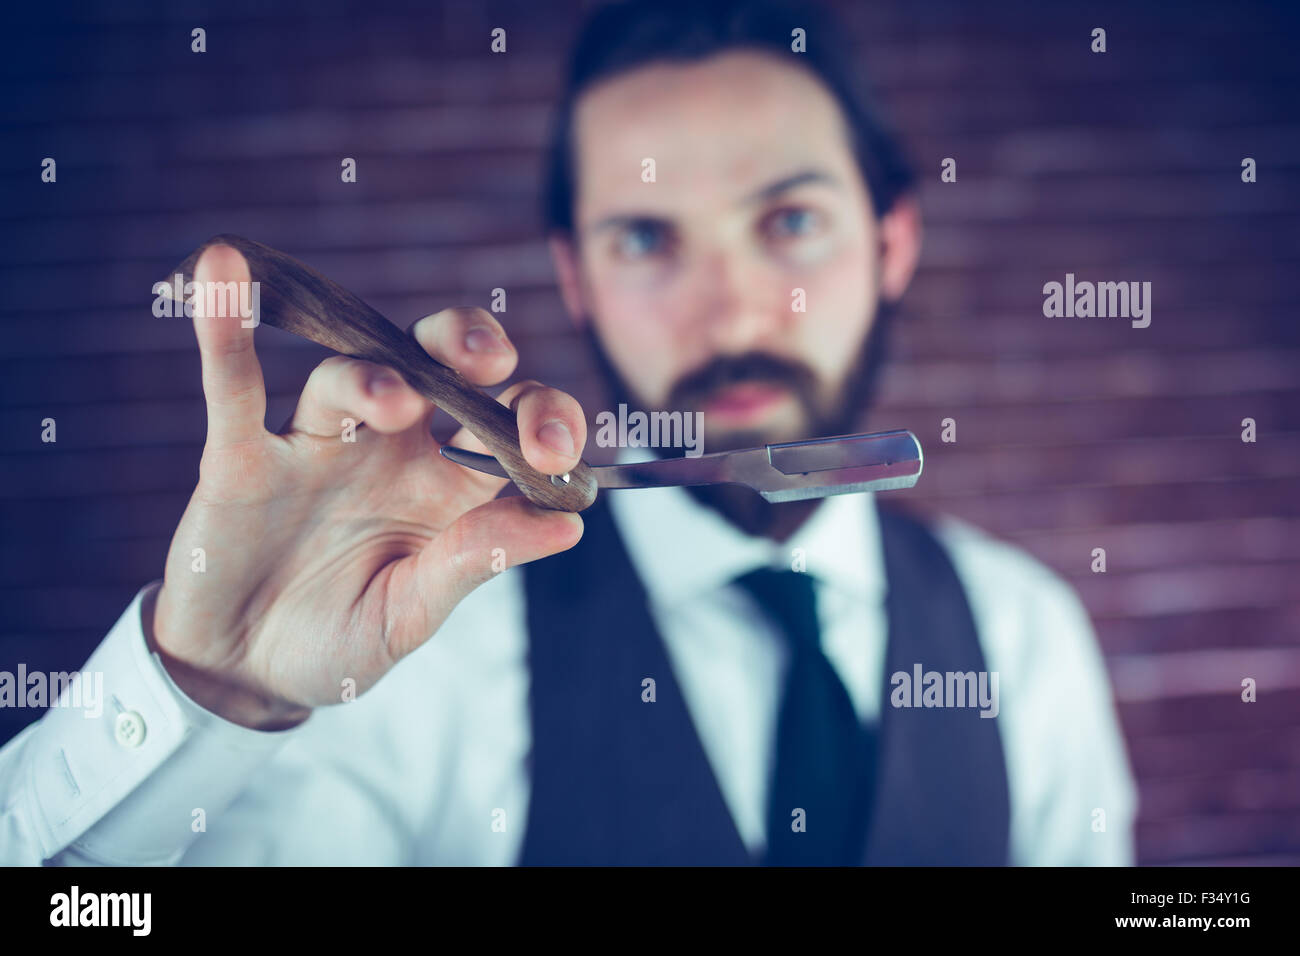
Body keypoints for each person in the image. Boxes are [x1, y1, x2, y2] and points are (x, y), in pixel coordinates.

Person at [0, 0, 1137, 865]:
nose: (732, 312)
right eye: (646, 238)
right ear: (576, 278)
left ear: (890, 245)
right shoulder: (416, 652)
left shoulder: (1024, 636)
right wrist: (207, 693)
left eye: (790, 220)